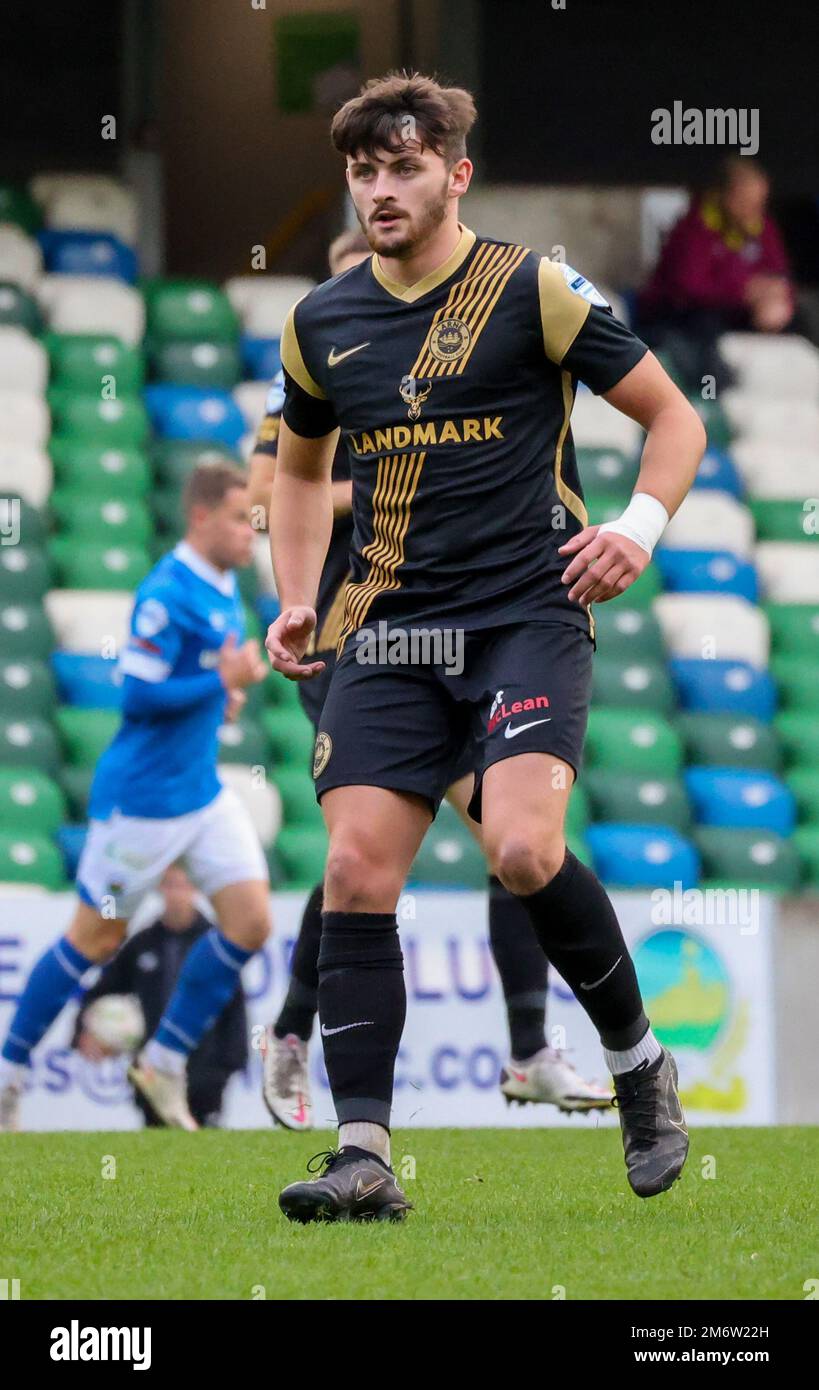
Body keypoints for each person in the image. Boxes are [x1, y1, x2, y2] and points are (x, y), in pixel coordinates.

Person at [265, 71, 705, 1223]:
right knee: (356, 869)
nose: (380, 190)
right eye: (364, 172)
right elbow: (300, 468)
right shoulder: (322, 322)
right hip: (387, 627)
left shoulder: (535, 288)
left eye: (403, 167)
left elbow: (676, 417)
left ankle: (638, 1066)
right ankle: (362, 1153)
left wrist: (637, 528)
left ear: (456, 174)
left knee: (519, 849)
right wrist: (295, 597)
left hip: (525, 613)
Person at [249, 231, 611, 1131]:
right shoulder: (322, 350)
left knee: (511, 840)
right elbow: (271, 486)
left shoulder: (483, 323)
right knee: (369, 854)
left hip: (470, 620)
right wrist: (383, 455)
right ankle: (297, 1033)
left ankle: (526, 1049)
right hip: (360, 631)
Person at [0, 463, 270, 1133]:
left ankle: (165, 1057)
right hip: (142, 803)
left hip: (201, 795)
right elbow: (140, 694)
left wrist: (224, 695)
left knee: (250, 921)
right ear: (201, 516)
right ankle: (8, 1072)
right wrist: (221, 680)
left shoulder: (226, 584)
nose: (251, 531)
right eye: (240, 518)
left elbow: (200, 686)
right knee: (94, 939)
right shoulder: (165, 592)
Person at [74, 865, 248, 1128]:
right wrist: (83, 1031)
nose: (176, 894)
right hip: (151, 1073)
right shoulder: (142, 943)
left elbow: (234, 1005)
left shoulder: (215, 942)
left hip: (204, 1072)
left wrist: (230, 1063)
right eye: (170, 885)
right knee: (156, 1147)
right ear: (159, 888)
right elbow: (101, 990)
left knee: (206, 1146)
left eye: (183, 885)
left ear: (196, 888)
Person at [639, 157, 798, 387]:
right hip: (685, 316)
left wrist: (778, 301)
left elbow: (780, 276)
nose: (752, 211)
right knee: (702, 325)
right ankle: (713, 394)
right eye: (745, 201)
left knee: (796, 319)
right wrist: (744, 292)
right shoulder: (694, 228)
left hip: (742, 312)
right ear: (726, 196)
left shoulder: (764, 228)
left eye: (758, 203)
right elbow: (690, 288)